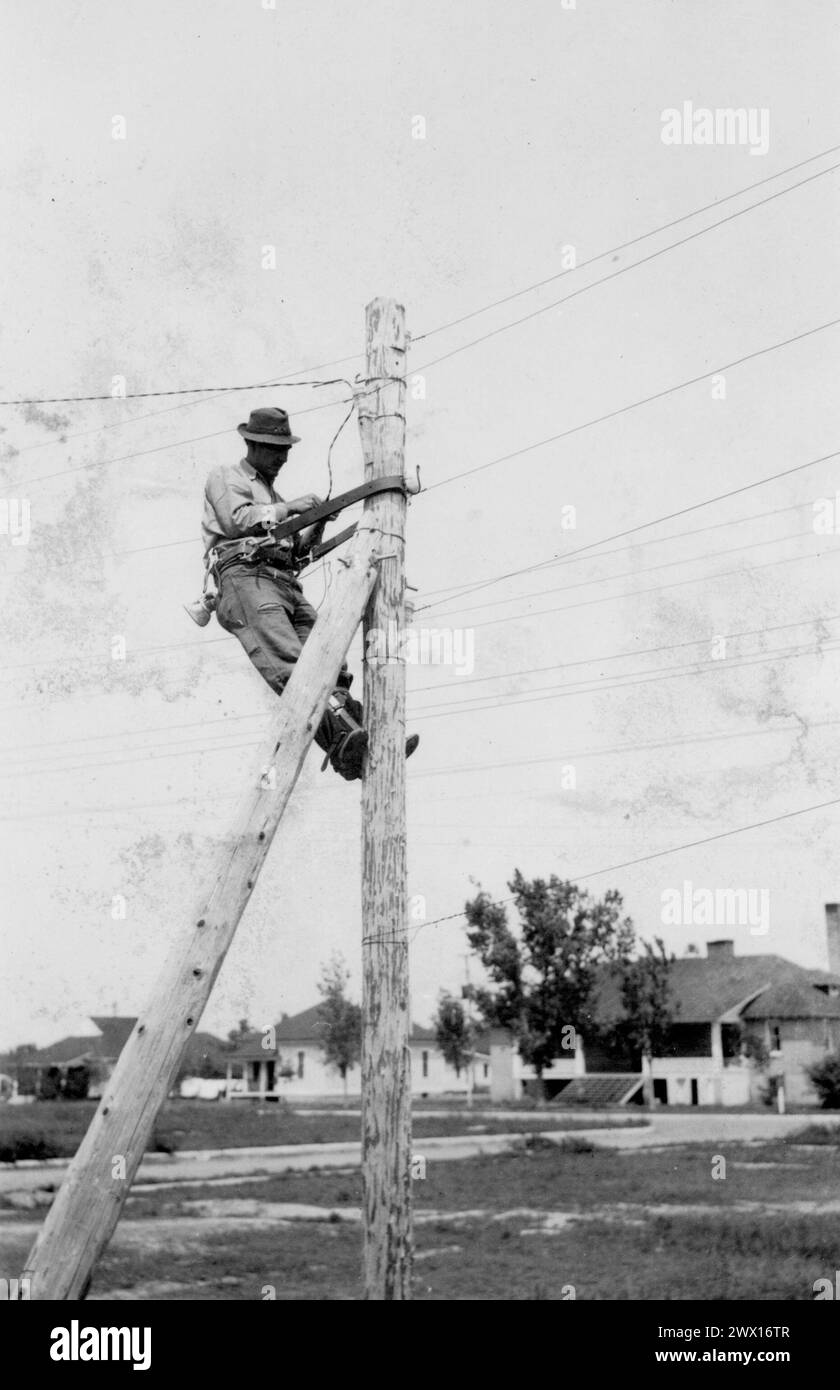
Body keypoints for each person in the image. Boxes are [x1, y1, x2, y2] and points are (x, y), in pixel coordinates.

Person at [201, 406, 419, 781]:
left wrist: (314, 524)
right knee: (294, 664)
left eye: (286, 449)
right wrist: (291, 508)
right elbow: (236, 520)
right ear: (253, 444)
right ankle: (344, 742)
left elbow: (297, 553)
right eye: (275, 449)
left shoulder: (270, 492)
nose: (282, 457)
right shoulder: (227, 477)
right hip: (245, 576)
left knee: (329, 659)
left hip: (282, 579)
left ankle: (362, 737)